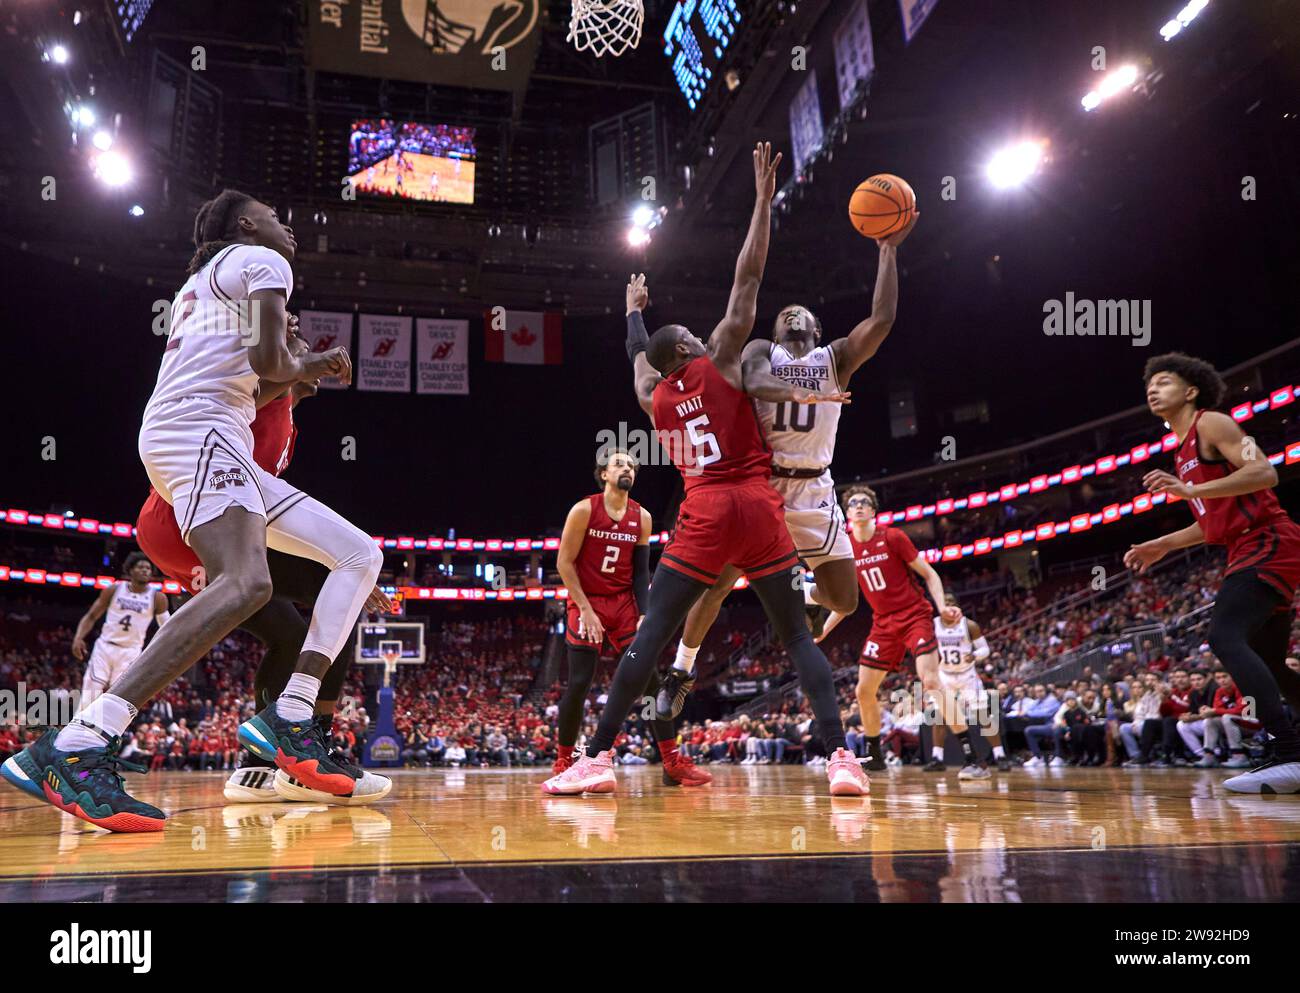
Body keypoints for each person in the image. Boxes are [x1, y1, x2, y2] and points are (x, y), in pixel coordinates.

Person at [2, 190, 382, 831]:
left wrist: (298, 370)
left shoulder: (210, 279)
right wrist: (312, 361)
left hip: (209, 439)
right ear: (244, 225)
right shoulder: (264, 264)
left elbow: (262, 373)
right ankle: (78, 742)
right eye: (273, 215)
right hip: (200, 434)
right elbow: (270, 361)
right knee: (247, 581)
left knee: (358, 554)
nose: (285, 224)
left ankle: (291, 713)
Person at [543, 143, 868, 798]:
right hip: (758, 503)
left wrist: (633, 308)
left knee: (653, 634)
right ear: (691, 347)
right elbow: (749, 275)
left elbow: (638, 353)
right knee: (799, 636)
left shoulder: (653, 393)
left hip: (704, 512)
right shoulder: (721, 356)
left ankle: (599, 755)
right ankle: (841, 758)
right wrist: (760, 199)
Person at [649, 211, 918, 718]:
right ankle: (682, 670)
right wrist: (803, 394)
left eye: (802, 314)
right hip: (764, 488)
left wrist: (887, 251)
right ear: (776, 329)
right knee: (719, 583)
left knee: (846, 600)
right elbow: (752, 384)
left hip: (817, 493)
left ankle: (800, 590)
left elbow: (881, 321)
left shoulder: (836, 358)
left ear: (816, 328)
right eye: (785, 314)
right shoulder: (760, 352)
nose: (792, 316)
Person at [134, 355, 391, 805]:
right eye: (296, 338)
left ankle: (257, 765)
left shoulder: (288, 415)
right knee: (342, 589)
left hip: (185, 527)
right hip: (184, 521)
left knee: (294, 634)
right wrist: (300, 363)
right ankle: (307, 749)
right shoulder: (261, 387)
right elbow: (265, 372)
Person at [1125, 352, 1300, 793]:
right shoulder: (1182, 449)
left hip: (1269, 540)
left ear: (1191, 390)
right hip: (1245, 546)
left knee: (1225, 637)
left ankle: (1287, 749)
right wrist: (1163, 543)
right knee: (1272, 663)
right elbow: (1209, 522)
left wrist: (1191, 488)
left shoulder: (1213, 423)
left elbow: (1264, 471)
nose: (1153, 388)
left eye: (1163, 381)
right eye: (1150, 383)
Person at [551, 450, 706, 786]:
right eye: (620, 464)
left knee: (650, 681)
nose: (628, 470)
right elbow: (564, 564)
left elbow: (640, 573)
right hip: (586, 601)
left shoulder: (643, 517)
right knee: (579, 682)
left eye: (633, 466)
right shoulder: (583, 510)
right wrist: (586, 610)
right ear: (603, 474)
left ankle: (671, 762)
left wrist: (645, 613)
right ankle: (564, 761)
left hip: (623, 604)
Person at [818, 485, 962, 772]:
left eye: (864, 502)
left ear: (872, 511)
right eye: (853, 503)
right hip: (883, 624)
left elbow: (929, 573)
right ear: (847, 513)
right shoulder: (845, 547)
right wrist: (823, 630)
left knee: (930, 682)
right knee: (863, 690)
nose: (858, 506)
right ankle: (875, 756)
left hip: (914, 616)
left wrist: (942, 606)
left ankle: (971, 753)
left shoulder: (893, 536)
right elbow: (845, 602)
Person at [72, 553, 171, 705]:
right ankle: (78, 728)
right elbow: (91, 616)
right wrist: (78, 637)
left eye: (148, 568)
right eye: (140, 567)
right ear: (130, 570)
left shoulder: (157, 598)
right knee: (88, 698)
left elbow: (167, 628)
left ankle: (106, 729)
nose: (145, 570)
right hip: (105, 647)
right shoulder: (114, 590)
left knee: (117, 700)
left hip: (131, 652)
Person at [931, 594, 1010, 778]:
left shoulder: (969, 625)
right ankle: (937, 758)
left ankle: (1000, 755)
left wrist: (975, 655)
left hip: (967, 675)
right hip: (945, 675)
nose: (948, 606)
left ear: (957, 606)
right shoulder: (932, 625)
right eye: (945, 603)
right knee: (939, 716)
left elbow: (985, 649)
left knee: (983, 715)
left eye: (952, 603)